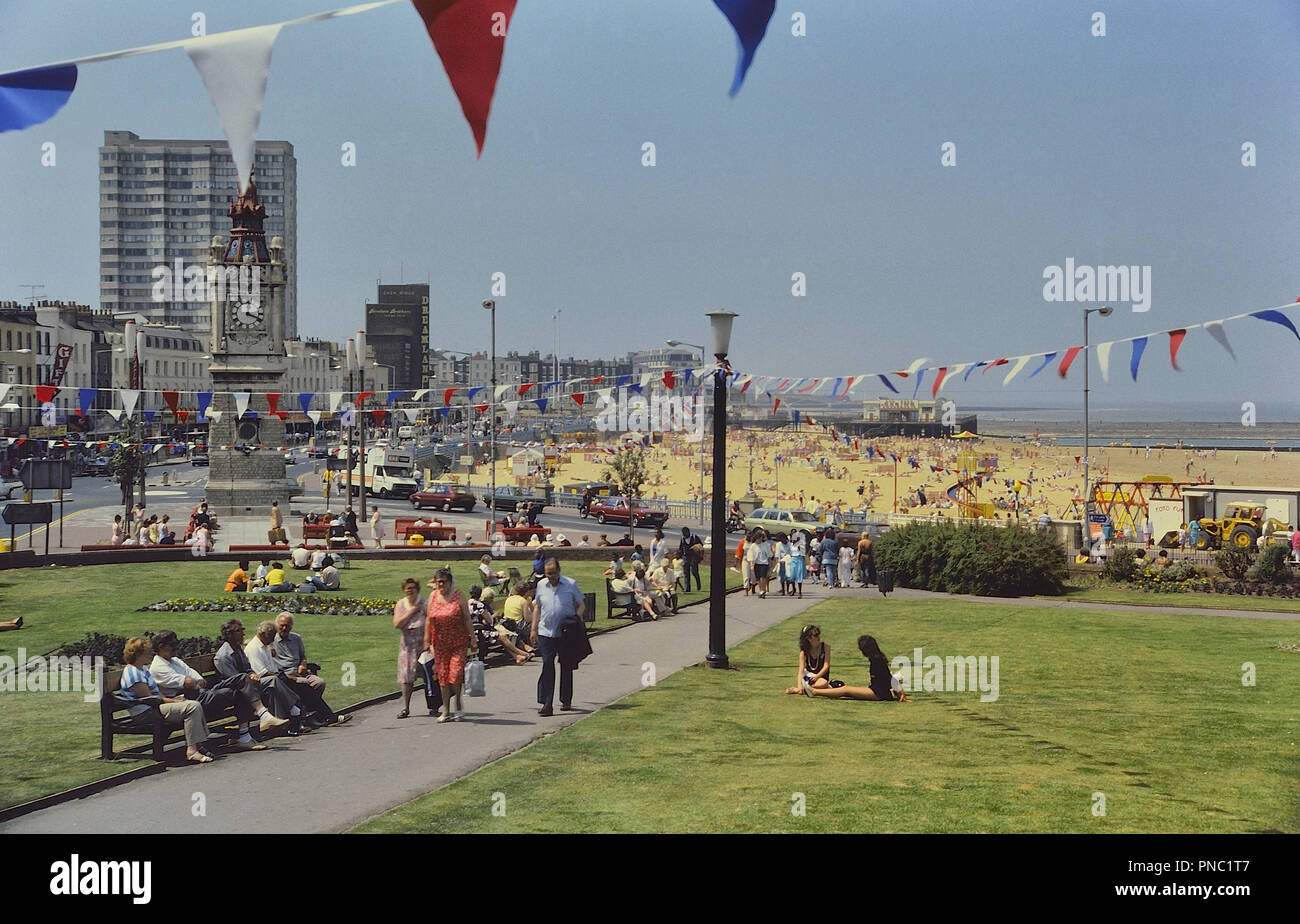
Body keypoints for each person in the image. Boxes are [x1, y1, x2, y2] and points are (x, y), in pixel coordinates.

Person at [148, 629, 270, 751]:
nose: (176, 647)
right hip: (190, 700)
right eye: (173, 644)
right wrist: (192, 683)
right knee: (241, 687)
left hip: (203, 693)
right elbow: (189, 682)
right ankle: (255, 723)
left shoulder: (176, 661)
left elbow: (199, 680)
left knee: (242, 682)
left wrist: (193, 683)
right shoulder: (158, 667)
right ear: (161, 646)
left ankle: (249, 731)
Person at [120, 637, 214, 764]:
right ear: (138, 654)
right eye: (147, 652)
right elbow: (149, 699)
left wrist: (173, 699)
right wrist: (174, 702)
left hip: (154, 708)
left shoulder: (142, 669)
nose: (151, 654)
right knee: (192, 706)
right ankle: (192, 750)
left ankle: (198, 745)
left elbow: (156, 693)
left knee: (192, 704)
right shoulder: (133, 673)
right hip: (145, 713)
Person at [212, 619, 304, 734]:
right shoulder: (222, 657)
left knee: (274, 682)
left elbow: (247, 668)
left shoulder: (238, 648)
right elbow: (234, 679)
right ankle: (294, 710)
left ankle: (284, 719)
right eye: (238, 630)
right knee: (273, 680)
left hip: (248, 683)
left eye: (242, 629)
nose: (243, 633)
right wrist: (249, 677)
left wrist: (252, 674)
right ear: (229, 634)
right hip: (236, 689)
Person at [530, 556, 587, 716]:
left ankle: (566, 699)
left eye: (553, 573)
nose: (551, 576)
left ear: (559, 571)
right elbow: (537, 607)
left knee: (566, 665)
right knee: (547, 664)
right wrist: (533, 629)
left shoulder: (570, 584)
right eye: (548, 573)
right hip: (546, 631)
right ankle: (547, 702)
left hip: (566, 632)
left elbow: (581, 603)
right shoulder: (541, 585)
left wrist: (576, 618)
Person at [271, 613, 350, 725]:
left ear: (291, 626)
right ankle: (326, 716)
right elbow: (254, 641)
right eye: (282, 625)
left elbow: (303, 656)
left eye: (287, 626)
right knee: (305, 685)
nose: (284, 628)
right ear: (276, 625)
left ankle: (309, 712)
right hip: (286, 676)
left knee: (319, 682)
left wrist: (303, 663)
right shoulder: (270, 639)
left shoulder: (296, 638)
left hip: (300, 672)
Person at [425, 567, 474, 723]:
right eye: (438, 582)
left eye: (443, 582)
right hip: (439, 643)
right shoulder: (433, 596)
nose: (441, 585)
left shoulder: (458, 596)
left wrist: (472, 638)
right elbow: (428, 620)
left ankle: (458, 701)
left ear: (450, 582)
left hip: (458, 641)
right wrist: (426, 640)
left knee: (456, 673)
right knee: (443, 676)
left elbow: (467, 619)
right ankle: (446, 710)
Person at [801, 635, 908, 702]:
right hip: (877, 690)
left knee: (846, 690)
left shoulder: (877, 661)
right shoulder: (876, 658)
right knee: (847, 690)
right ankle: (818, 691)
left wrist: (900, 693)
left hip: (880, 694)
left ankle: (815, 692)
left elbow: (888, 678)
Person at [394, 577, 440, 718]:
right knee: (406, 678)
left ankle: (434, 706)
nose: (410, 590)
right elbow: (397, 624)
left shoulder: (425, 602)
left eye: (412, 587)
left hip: (423, 645)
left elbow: (433, 621)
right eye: (407, 588)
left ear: (417, 589)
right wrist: (411, 611)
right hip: (407, 647)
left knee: (429, 677)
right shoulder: (401, 604)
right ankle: (406, 707)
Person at [469, 585, 532, 664]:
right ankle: (524, 653)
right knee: (502, 636)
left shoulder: (468, 603)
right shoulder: (479, 605)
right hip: (479, 632)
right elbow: (490, 620)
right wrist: (494, 616)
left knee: (502, 635)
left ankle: (517, 656)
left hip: (472, 632)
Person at [783, 624, 839, 694]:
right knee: (825, 686)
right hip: (809, 676)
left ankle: (805, 689)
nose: (818, 637)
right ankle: (804, 689)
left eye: (818, 634)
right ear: (808, 638)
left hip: (820, 677)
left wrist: (817, 677)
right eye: (815, 635)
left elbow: (826, 666)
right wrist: (799, 687)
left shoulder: (825, 647)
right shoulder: (804, 652)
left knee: (823, 683)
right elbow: (801, 671)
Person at [678, 527, 703, 592]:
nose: (684, 535)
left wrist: (695, 548)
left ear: (688, 532)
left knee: (694, 571)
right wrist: (679, 556)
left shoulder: (694, 537)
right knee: (686, 573)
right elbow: (681, 548)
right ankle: (687, 588)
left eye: (685, 533)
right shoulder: (683, 539)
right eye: (683, 533)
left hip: (693, 557)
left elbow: (700, 545)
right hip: (686, 557)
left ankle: (698, 584)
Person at [787, 529, 807, 599]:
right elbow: (789, 552)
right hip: (793, 559)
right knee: (792, 576)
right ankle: (793, 588)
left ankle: (800, 592)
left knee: (799, 576)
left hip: (799, 559)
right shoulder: (790, 544)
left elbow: (803, 553)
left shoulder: (801, 543)